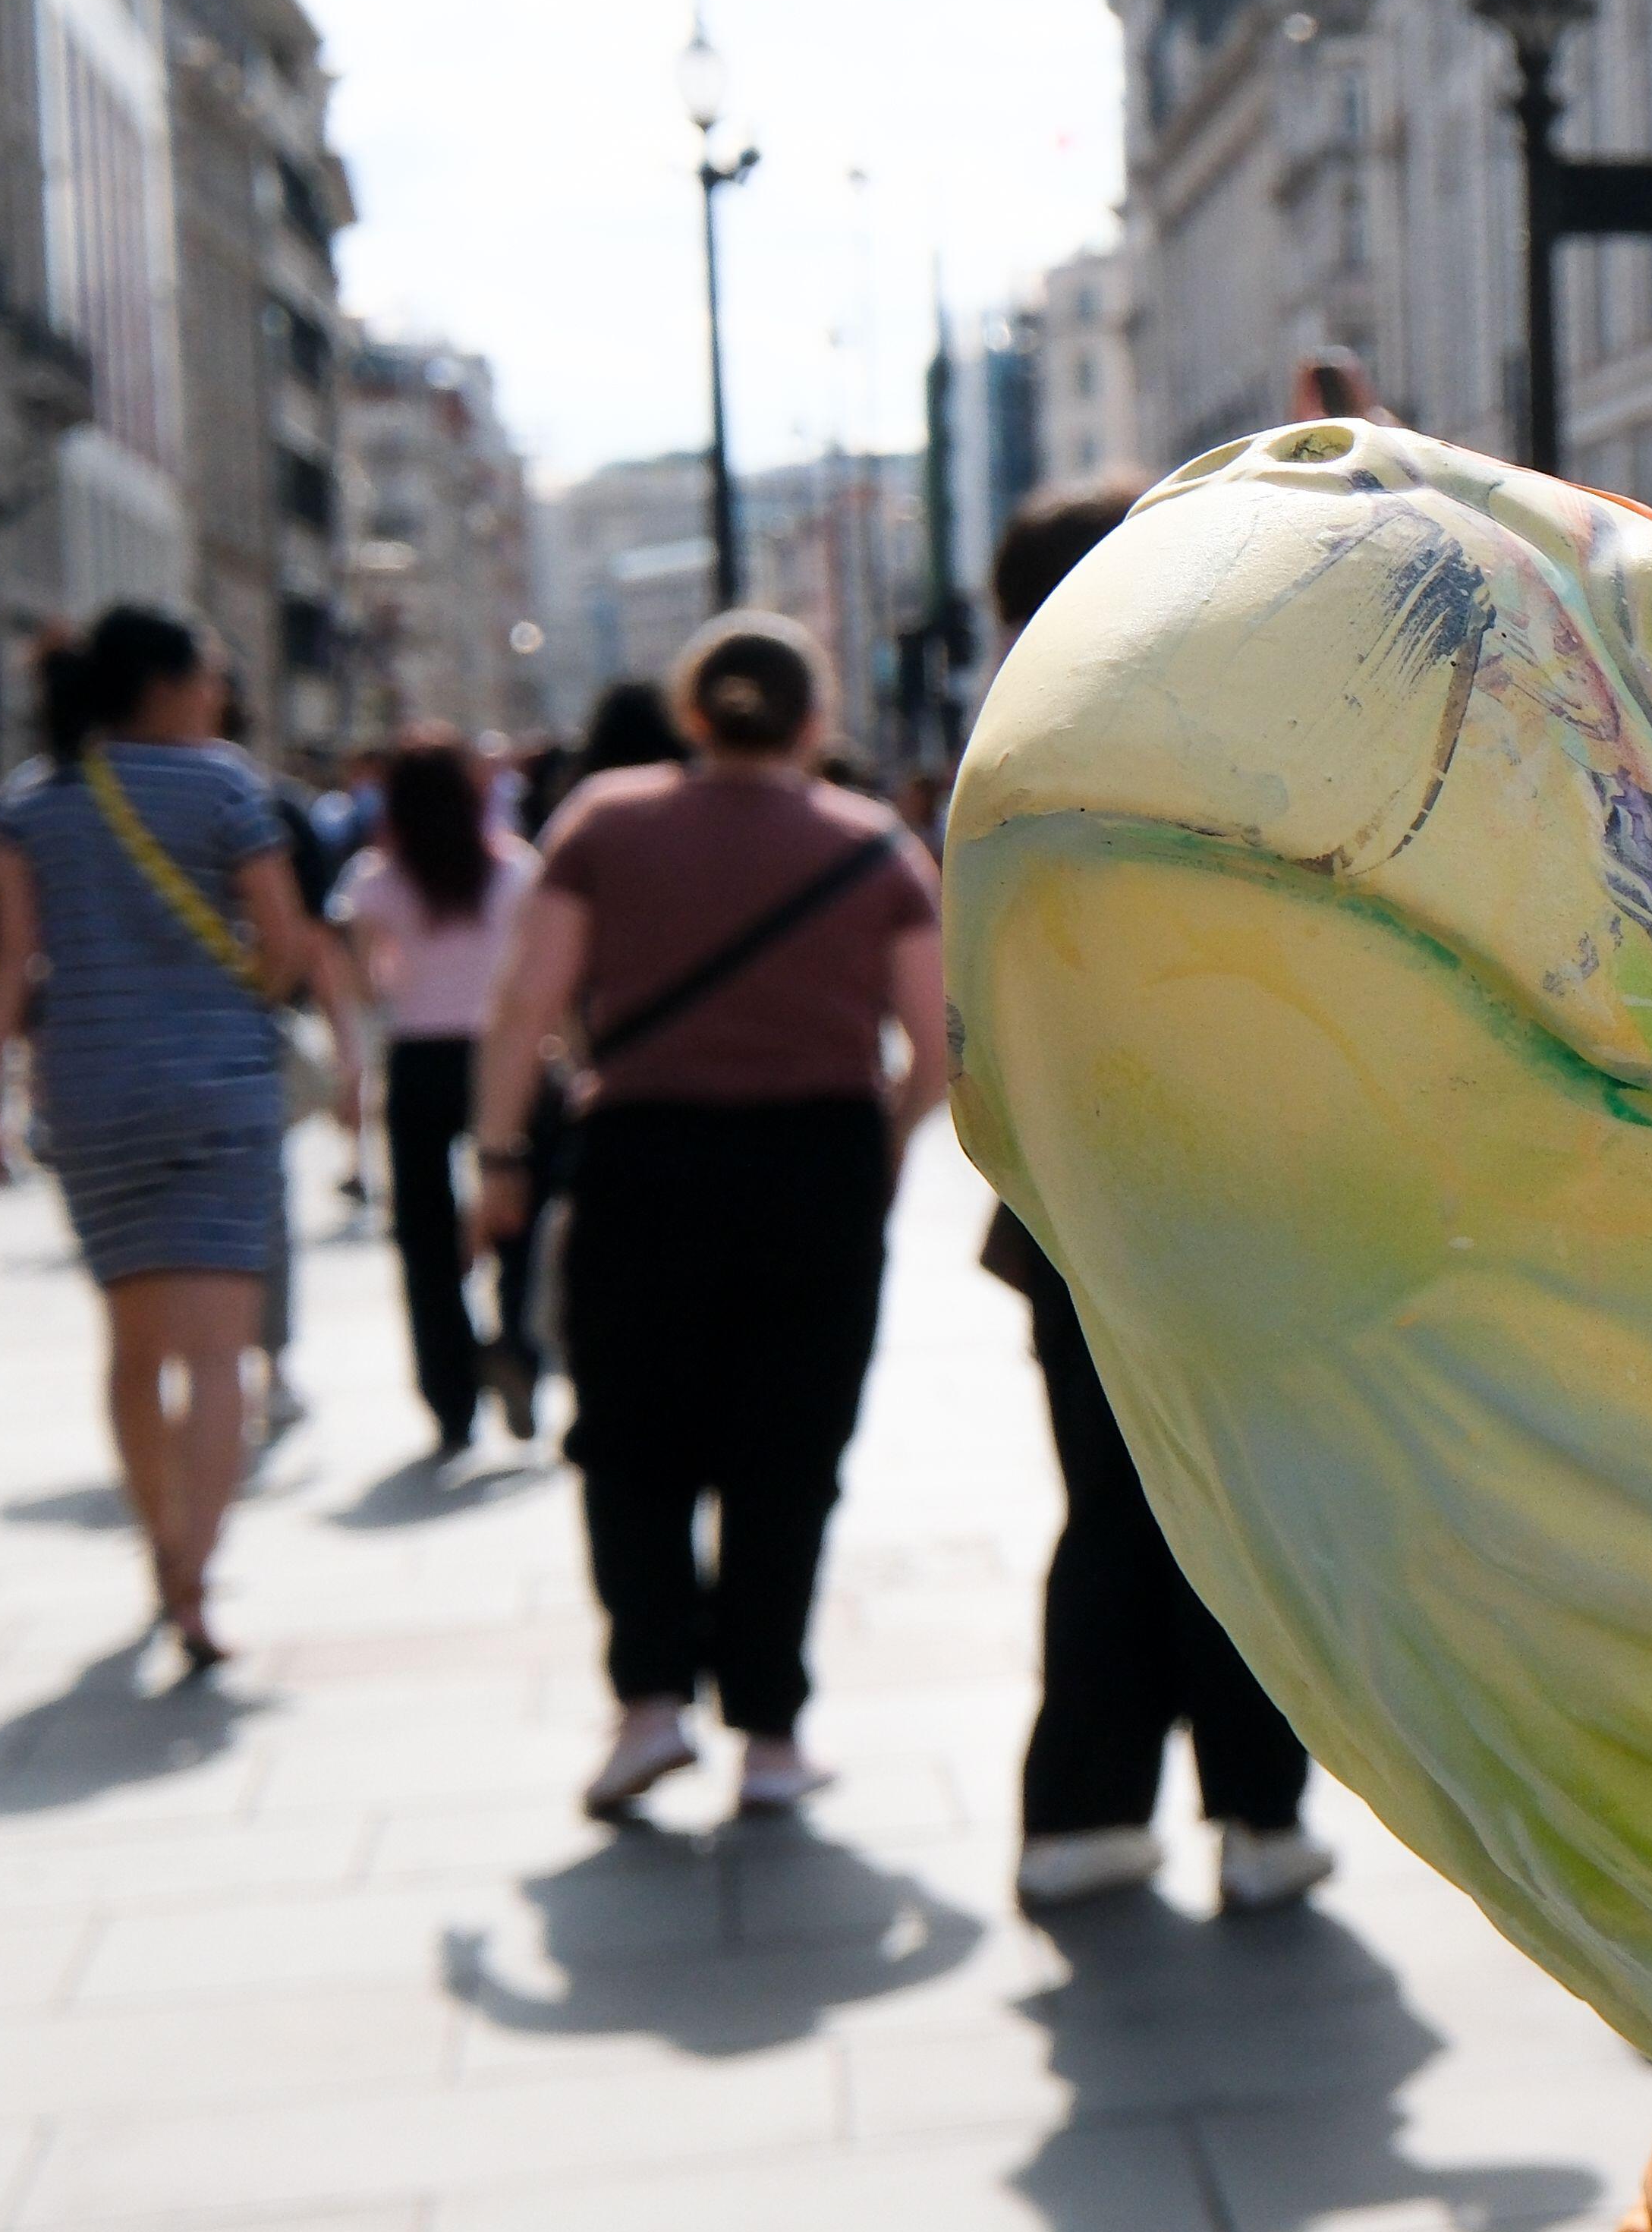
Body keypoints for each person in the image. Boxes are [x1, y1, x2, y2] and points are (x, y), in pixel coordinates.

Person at [474, 615, 945, 1821]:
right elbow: (934, 1039)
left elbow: (526, 999)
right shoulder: (871, 844)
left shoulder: (605, 823)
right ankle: (772, 1731)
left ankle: (648, 1707)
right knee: (790, 1447)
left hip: (644, 1160)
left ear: (692, 714)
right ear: (814, 720)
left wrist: (500, 1150)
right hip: (816, 1166)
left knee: (631, 1437)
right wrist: (889, 1140)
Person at [970, 481, 1335, 1920]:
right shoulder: (1205, 734)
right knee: (1236, 1500)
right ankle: (1257, 1811)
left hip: (1073, 1186)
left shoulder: (1001, 759)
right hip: (1233, 1178)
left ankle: (1086, 1809)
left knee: (1109, 1501)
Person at [0, 605, 319, 1673]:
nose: (219, 692)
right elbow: (285, 944)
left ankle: (159, 1549)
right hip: (218, 1089)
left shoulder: (34, 801)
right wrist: (239, 991)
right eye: (208, 672)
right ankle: (194, 1579)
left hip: (93, 1088)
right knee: (219, 1354)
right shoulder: (224, 786)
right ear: (162, 684)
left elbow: (11, 958)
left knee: (133, 1348)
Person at [324, 732, 540, 1454]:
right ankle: (516, 1341)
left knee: (422, 1233)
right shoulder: (514, 870)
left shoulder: (374, 882)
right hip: (501, 1055)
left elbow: (363, 987)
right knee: (518, 1207)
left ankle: (450, 1396)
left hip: (418, 1060)